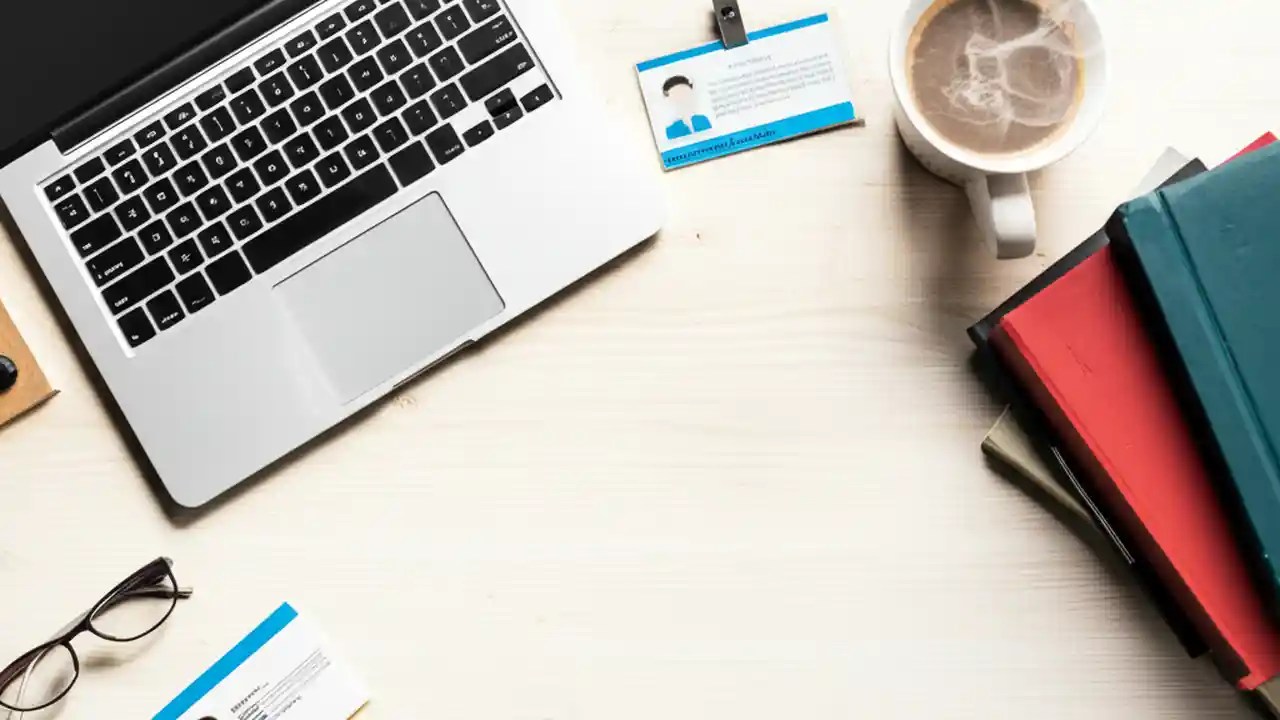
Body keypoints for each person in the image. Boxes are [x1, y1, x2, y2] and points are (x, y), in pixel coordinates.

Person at [662, 75, 713, 140]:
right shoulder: (671, 129)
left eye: (686, 95)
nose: (683, 100)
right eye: (678, 97)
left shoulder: (702, 119)